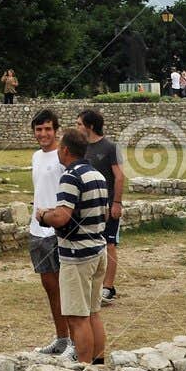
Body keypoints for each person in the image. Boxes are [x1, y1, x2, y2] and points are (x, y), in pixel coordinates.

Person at [36, 128, 111, 364]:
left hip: (77, 255)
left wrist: (43, 216)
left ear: (66, 150)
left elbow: (62, 218)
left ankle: (84, 368)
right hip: (98, 250)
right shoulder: (96, 175)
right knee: (93, 313)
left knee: (78, 318)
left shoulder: (71, 176)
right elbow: (105, 214)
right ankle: (98, 363)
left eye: (60, 148)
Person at [26, 109, 69, 356]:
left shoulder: (62, 156)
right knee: (51, 288)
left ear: (56, 130)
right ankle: (61, 338)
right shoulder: (35, 156)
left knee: (68, 289)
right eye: (39, 129)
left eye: (48, 129)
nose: (43, 134)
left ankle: (75, 342)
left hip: (59, 230)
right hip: (37, 231)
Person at [77, 108, 126, 305]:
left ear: (90, 126)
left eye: (79, 124)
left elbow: (119, 176)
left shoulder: (110, 147)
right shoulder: (81, 148)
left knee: (109, 244)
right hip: (86, 207)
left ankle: (108, 287)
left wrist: (116, 202)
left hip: (107, 206)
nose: (77, 127)